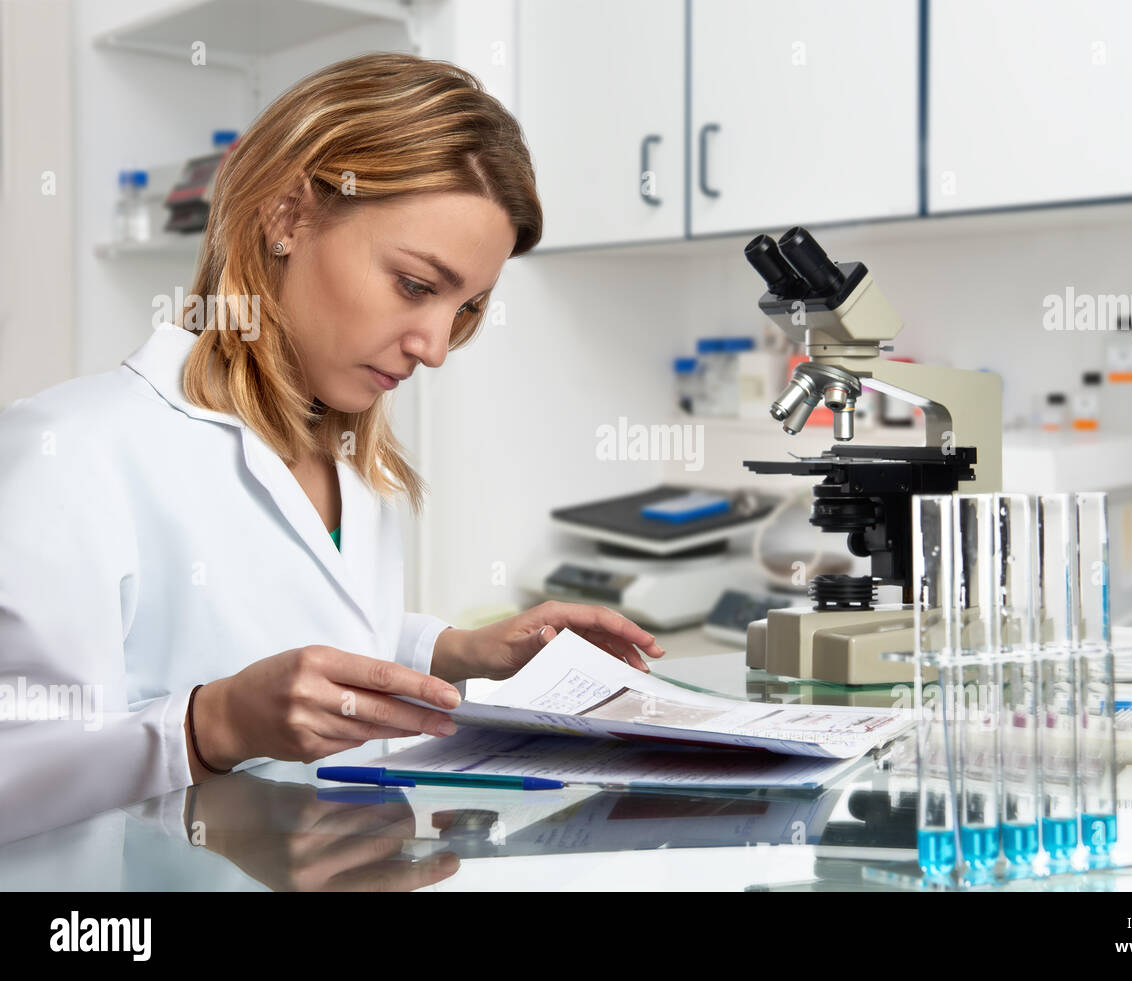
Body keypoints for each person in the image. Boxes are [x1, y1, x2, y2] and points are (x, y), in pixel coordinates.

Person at [0, 53, 664, 846]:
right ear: (288, 215)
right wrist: (210, 724)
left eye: (465, 308)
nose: (436, 346)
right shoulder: (71, 453)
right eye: (418, 285)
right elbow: (15, 771)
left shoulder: (353, 465)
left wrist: (457, 651)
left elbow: (306, 629)